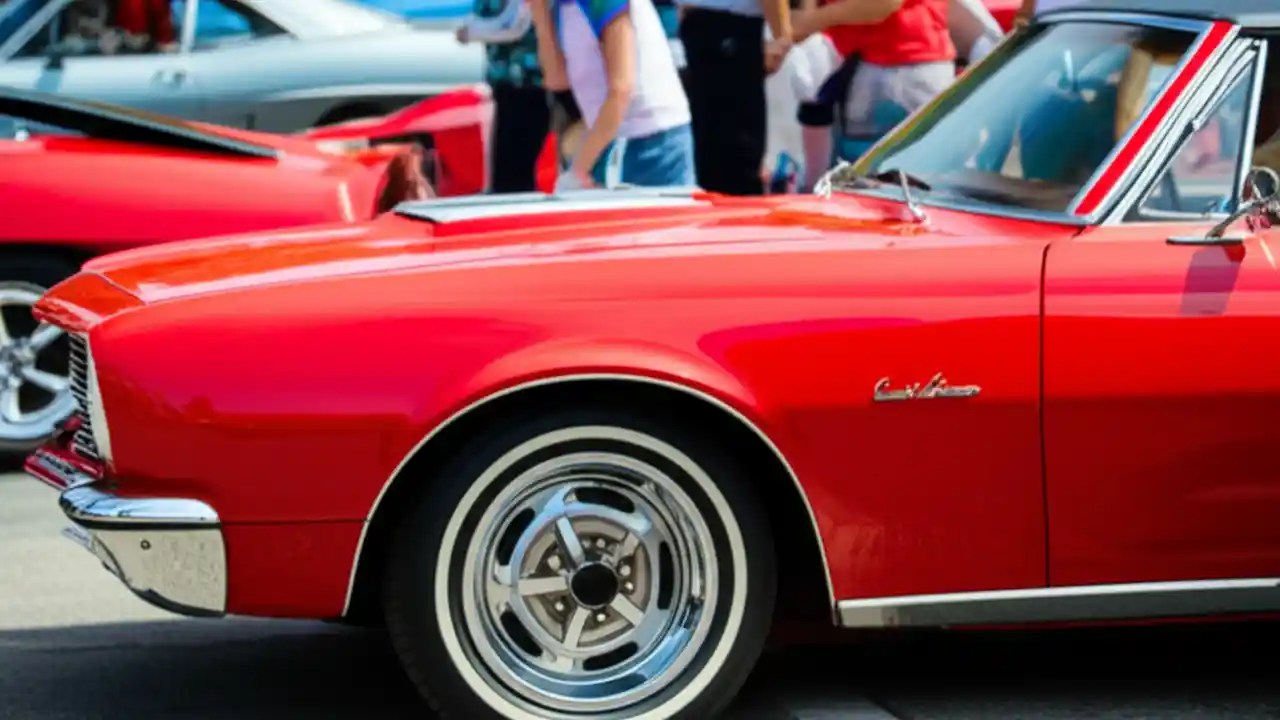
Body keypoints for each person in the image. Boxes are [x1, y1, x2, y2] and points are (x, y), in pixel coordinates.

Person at [792, 0, 956, 191]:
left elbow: (884, 4)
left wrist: (811, 20)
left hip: (899, 73)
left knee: (868, 189)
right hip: (881, 71)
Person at [530, 0, 695, 189]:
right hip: (610, 140)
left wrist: (578, 170)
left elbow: (621, 89)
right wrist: (539, 11)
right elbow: (556, 78)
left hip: (654, 147)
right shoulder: (562, 6)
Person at [678, 0, 794, 196]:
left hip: (701, 25)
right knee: (737, 163)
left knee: (710, 159)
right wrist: (782, 35)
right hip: (730, 31)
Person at [458, 0, 552, 193]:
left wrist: (471, 32)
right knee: (505, 171)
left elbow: (514, 26)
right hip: (504, 83)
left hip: (529, 83)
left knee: (517, 173)